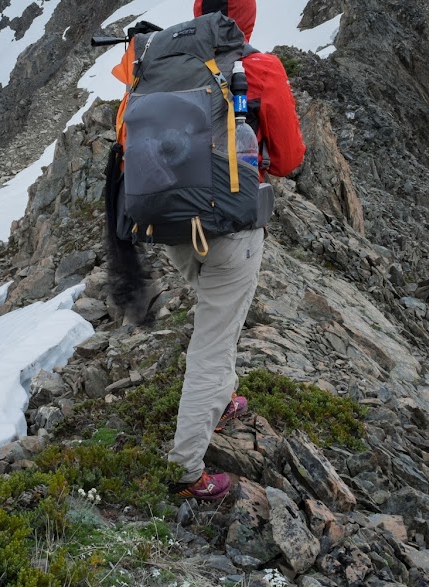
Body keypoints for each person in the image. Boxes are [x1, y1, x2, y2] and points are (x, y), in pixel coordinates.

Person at [112, 0, 306, 500]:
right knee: (213, 343)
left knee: (216, 319)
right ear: (247, 17)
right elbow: (289, 158)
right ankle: (186, 471)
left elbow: (125, 136)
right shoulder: (258, 67)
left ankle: (219, 400)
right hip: (231, 229)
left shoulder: (155, 61)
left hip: (170, 225)